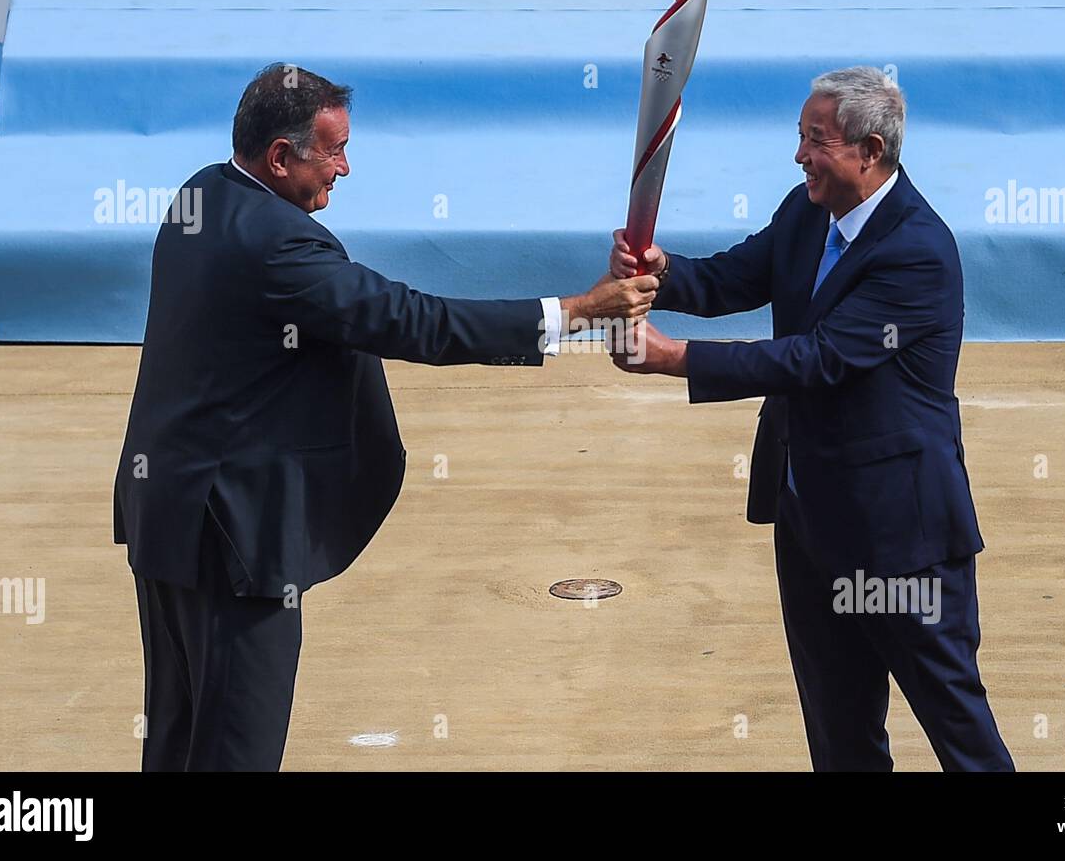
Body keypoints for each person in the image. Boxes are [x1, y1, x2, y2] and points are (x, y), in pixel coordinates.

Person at [113, 62, 657, 771]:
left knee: (177, 739)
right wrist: (578, 312)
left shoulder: (202, 193)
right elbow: (412, 322)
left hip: (169, 514)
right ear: (279, 157)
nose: (344, 167)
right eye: (332, 150)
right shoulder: (277, 245)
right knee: (236, 750)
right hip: (236, 539)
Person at [608, 66, 1014, 771]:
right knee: (839, 737)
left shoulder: (917, 252)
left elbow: (817, 359)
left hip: (898, 539)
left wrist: (674, 358)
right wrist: (659, 270)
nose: (799, 156)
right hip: (809, 522)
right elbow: (733, 278)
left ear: (871, 152)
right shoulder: (807, 211)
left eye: (816, 141)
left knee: (960, 736)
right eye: (800, 136)